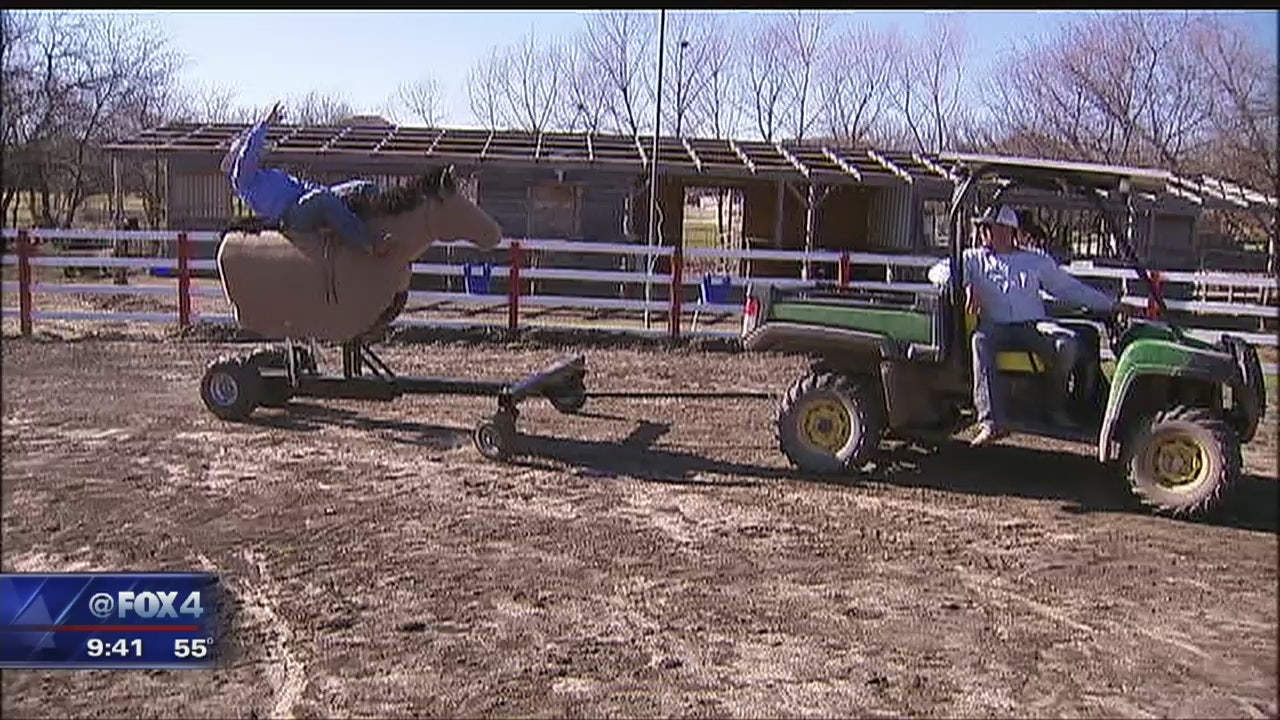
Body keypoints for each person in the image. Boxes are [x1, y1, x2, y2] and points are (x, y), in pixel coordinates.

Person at [931, 205, 1132, 447]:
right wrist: (964, 284)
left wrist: (1110, 304)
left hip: (1033, 325)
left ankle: (1056, 406)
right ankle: (990, 421)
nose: (988, 234)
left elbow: (1068, 289)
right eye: (986, 228)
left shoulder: (1035, 260)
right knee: (980, 341)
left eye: (996, 229)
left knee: (1066, 344)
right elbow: (937, 272)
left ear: (1010, 231)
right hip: (996, 326)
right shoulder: (972, 259)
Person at [221, 101, 389, 255]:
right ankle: (368, 244)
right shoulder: (242, 180)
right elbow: (248, 152)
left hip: (305, 203)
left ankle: (388, 222)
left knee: (360, 188)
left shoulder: (271, 175)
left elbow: (302, 186)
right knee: (323, 200)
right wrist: (265, 123)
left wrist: (330, 194)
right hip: (291, 218)